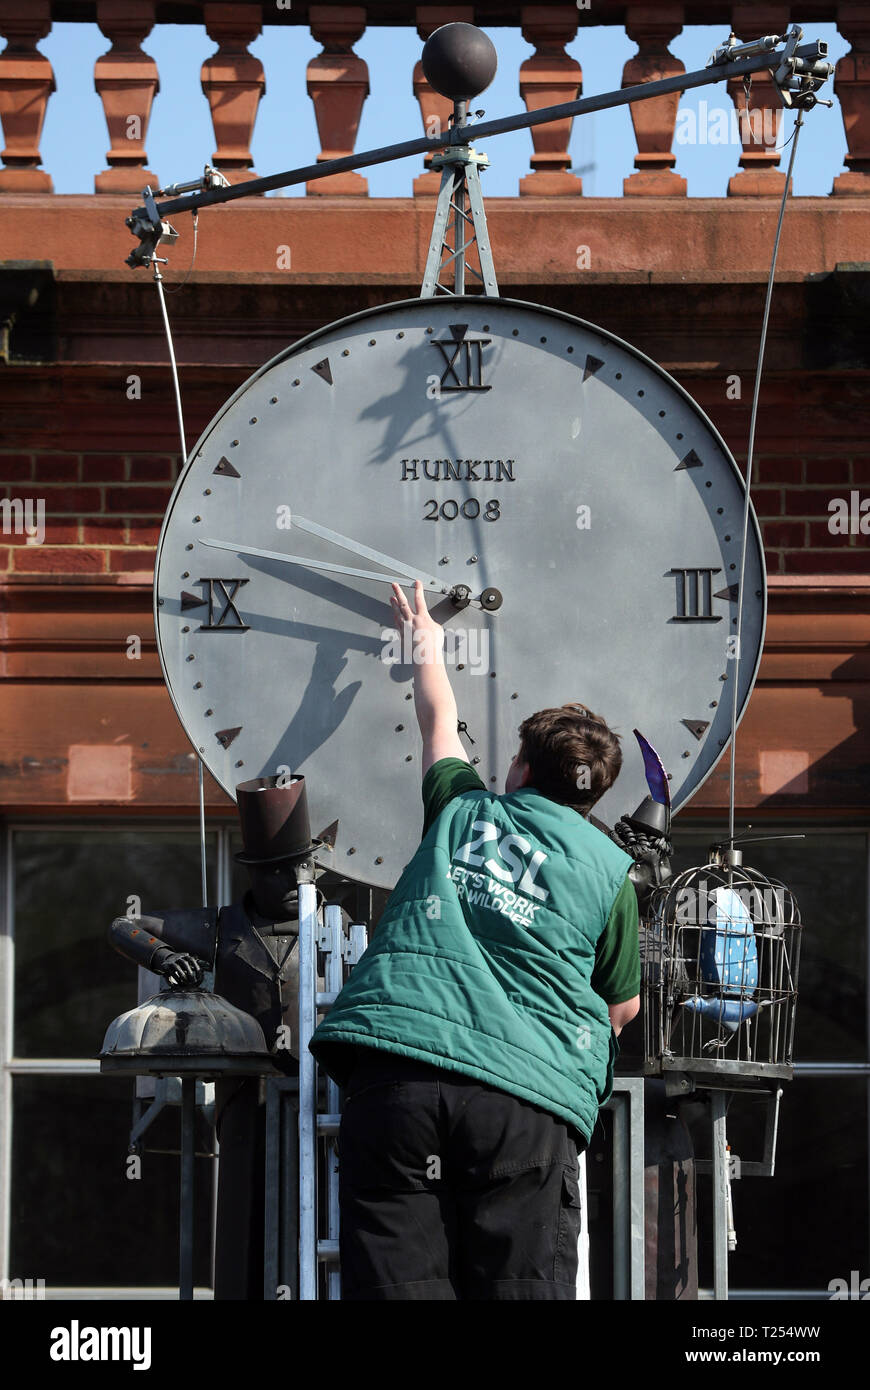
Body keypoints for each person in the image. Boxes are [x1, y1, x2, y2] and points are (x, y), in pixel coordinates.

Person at [309, 580, 640, 1301]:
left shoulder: (462, 809)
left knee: (400, 1286)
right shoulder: (611, 873)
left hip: (399, 1075)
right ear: (594, 796)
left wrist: (426, 640)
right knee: (519, 1285)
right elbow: (622, 1009)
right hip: (523, 1104)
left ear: (519, 770)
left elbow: (439, 720)